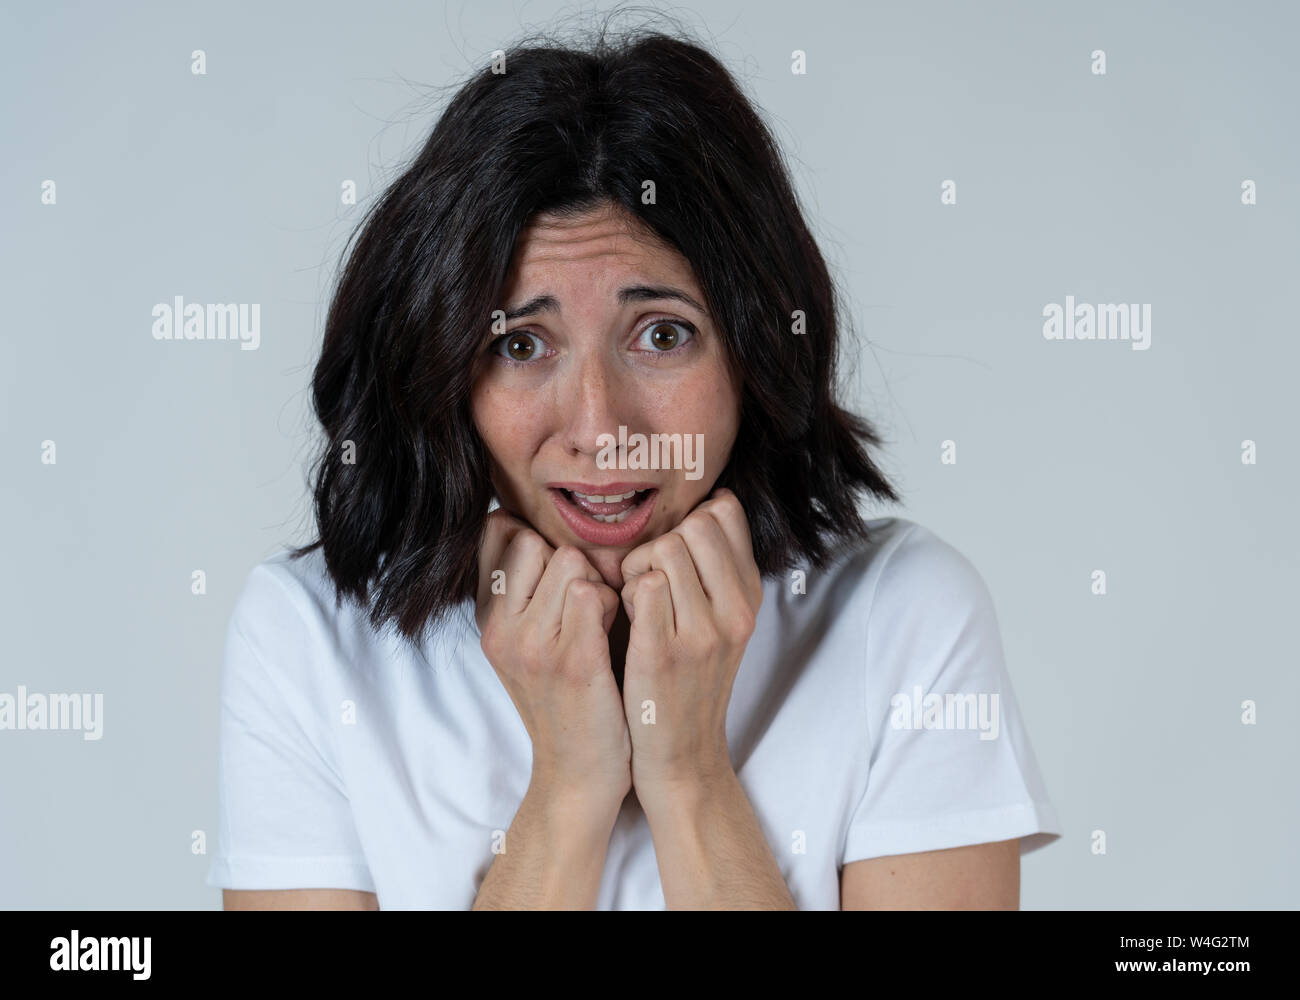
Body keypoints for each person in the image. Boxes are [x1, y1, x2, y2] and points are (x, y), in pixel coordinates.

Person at [206, 19, 1060, 910]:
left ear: (754, 352)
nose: (600, 426)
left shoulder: (905, 613)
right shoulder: (308, 640)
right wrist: (569, 788)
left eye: (661, 335)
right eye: (523, 344)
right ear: (445, 369)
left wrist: (689, 772)